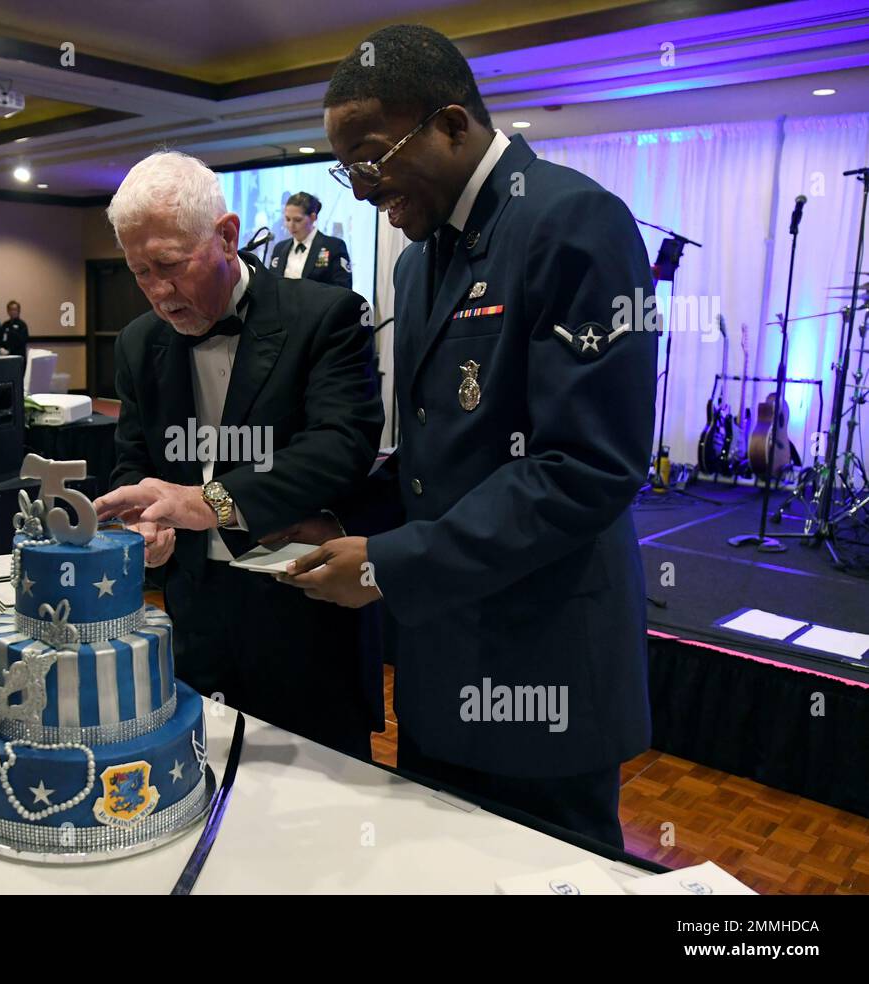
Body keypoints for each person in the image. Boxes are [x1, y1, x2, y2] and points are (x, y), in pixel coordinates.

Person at [279, 25, 659, 849]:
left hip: (544, 669)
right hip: (439, 664)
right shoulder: (416, 264)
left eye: (372, 157)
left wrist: (388, 563)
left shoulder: (576, 220)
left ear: (453, 124)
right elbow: (436, 457)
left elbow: (589, 468)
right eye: (347, 169)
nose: (363, 185)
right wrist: (341, 524)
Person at [92, 151, 385, 761]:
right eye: (139, 272)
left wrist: (210, 503)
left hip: (304, 613)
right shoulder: (138, 343)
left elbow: (340, 448)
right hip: (196, 616)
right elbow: (134, 461)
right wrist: (145, 520)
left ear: (226, 236)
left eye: (170, 265)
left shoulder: (325, 315)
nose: (158, 292)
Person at [269, 192, 352, 289]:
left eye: (297, 220)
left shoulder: (334, 247)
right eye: (287, 219)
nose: (291, 225)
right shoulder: (280, 248)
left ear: (313, 217)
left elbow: (343, 289)